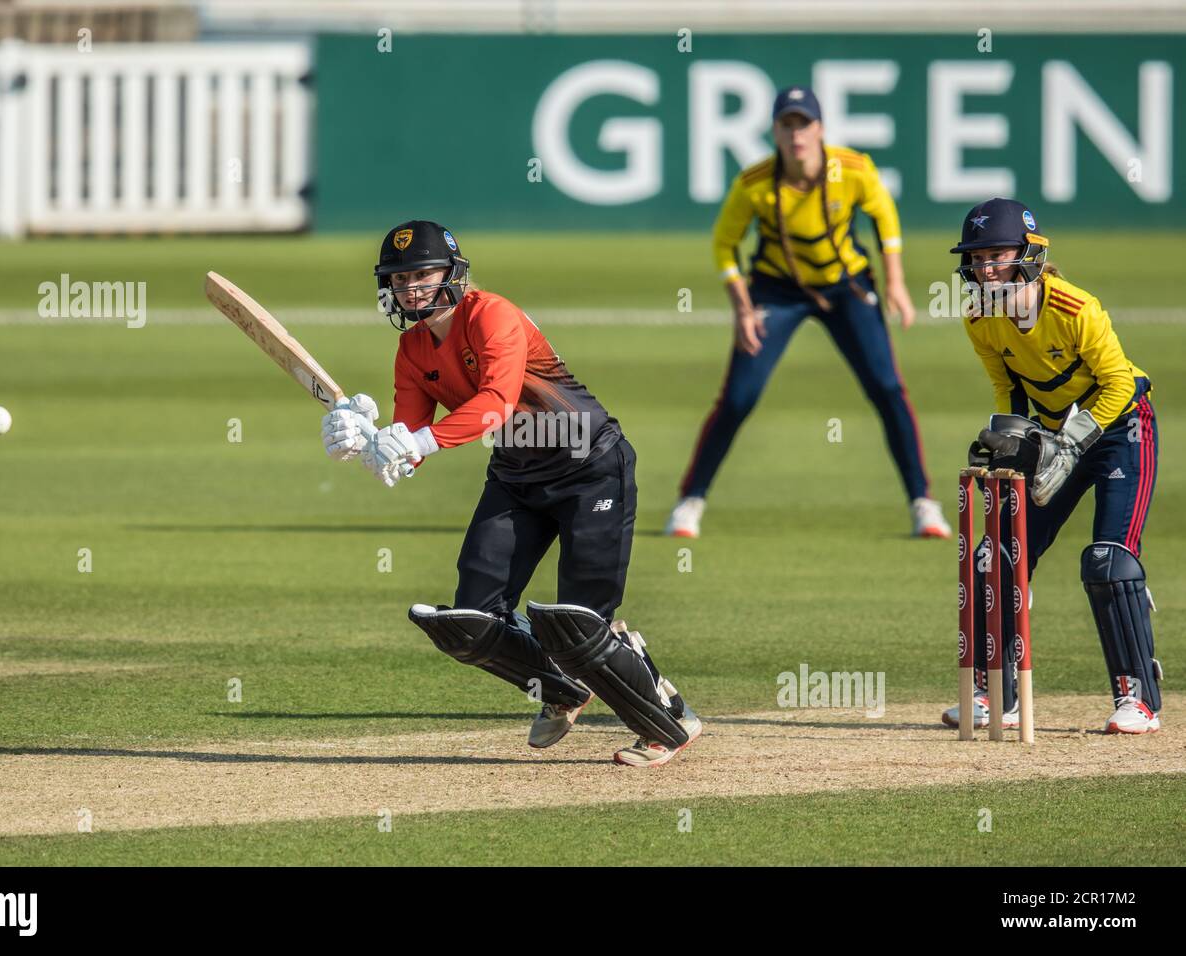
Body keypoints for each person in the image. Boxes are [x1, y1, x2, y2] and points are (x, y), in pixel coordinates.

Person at [321, 220, 702, 766]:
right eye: (400, 279)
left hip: (590, 465)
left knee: (580, 624)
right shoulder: (411, 351)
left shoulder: (492, 315)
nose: (410, 289)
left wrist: (412, 441)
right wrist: (368, 445)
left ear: (453, 273)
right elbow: (411, 443)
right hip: (516, 477)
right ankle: (561, 689)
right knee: (471, 622)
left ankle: (670, 718)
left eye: (423, 275)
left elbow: (496, 403)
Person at [666, 85, 948, 540]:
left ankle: (923, 502)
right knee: (739, 397)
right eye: (787, 124)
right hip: (776, 291)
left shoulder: (853, 169)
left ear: (820, 129)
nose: (796, 134)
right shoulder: (754, 183)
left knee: (887, 387)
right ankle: (690, 501)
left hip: (847, 288)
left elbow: (884, 218)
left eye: (804, 123)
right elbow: (724, 244)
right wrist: (742, 308)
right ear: (775, 131)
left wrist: (894, 281)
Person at [942, 198, 1162, 734]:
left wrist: (1070, 443)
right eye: (976, 258)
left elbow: (1119, 385)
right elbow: (1009, 389)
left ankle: (1139, 697)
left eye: (997, 255)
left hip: (1120, 431)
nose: (986, 268)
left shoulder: (1075, 308)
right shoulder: (979, 318)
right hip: (1055, 436)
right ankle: (996, 692)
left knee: (1107, 561)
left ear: (1030, 255)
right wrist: (1014, 445)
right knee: (995, 556)